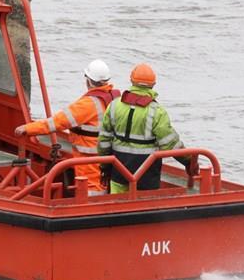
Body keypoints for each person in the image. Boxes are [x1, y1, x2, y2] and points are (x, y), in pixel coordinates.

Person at [14, 59, 120, 195]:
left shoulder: (86, 105)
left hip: (88, 161)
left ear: (88, 81)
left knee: (90, 192)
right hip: (109, 157)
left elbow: (56, 123)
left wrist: (27, 129)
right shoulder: (116, 100)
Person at [97, 63, 199, 193]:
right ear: (153, 84)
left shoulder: (114, 106)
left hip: (118, 171)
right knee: (145, 203)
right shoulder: (157, 111)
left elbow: (104, 141)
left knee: (117, 201)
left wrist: (105, 166)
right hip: (146, 174)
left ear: (131, 81)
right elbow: (170, 144)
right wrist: (189, 161)